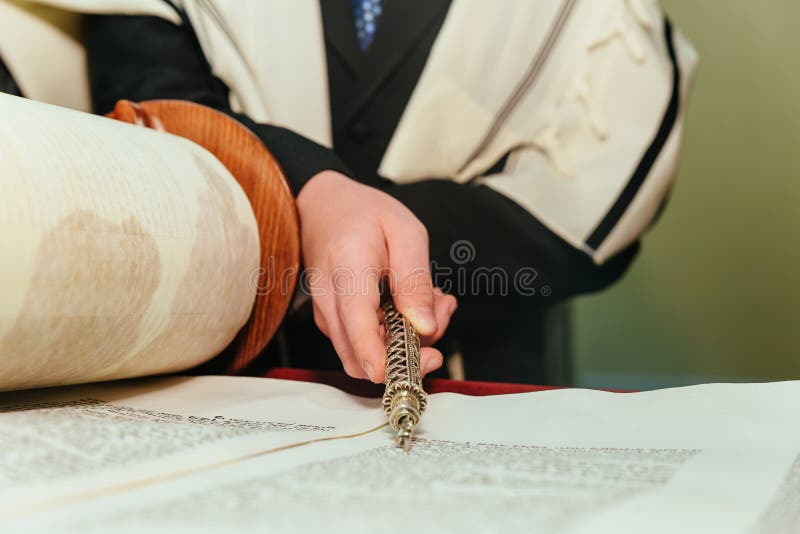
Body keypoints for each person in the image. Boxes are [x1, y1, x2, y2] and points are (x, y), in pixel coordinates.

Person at [72, 0, 694, 384]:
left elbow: (586, 212)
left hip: (479, 377)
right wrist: (311, 195)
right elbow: (151, 115)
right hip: (231, 376)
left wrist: (348, 236)